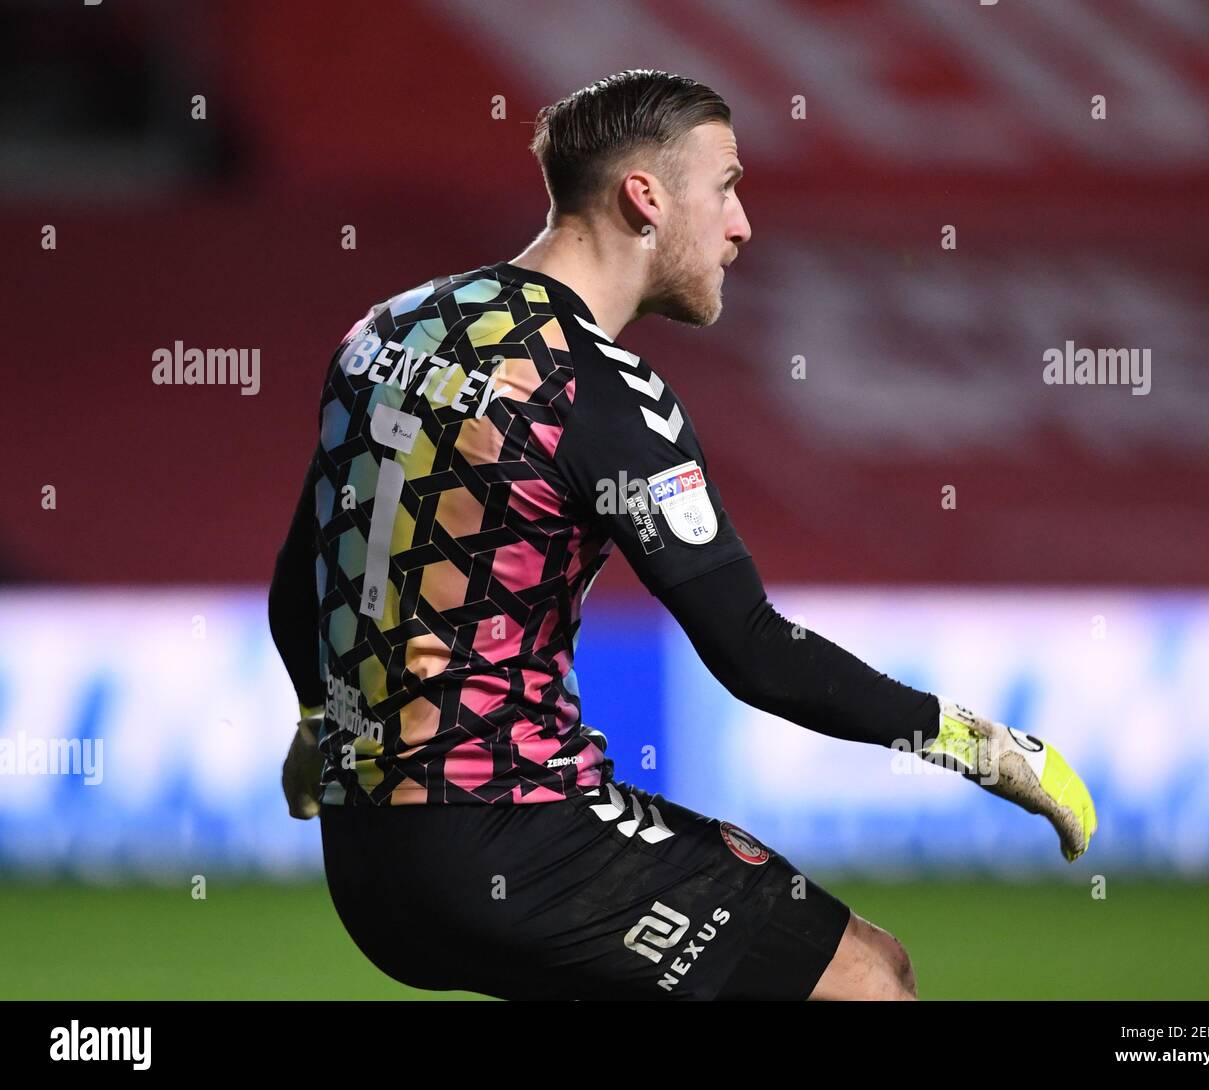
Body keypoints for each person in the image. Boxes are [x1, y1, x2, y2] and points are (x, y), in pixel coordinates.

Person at [269, 69, 1096, 1001]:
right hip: (518, 832)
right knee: (869, 976)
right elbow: (752, 651)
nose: (743, 226)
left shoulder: (388, 332)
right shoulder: (599, 391)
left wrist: (315, 723)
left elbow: (304, 581)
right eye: (729, 186)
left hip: (370, 867)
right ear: (645, 197)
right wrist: (976, 744)